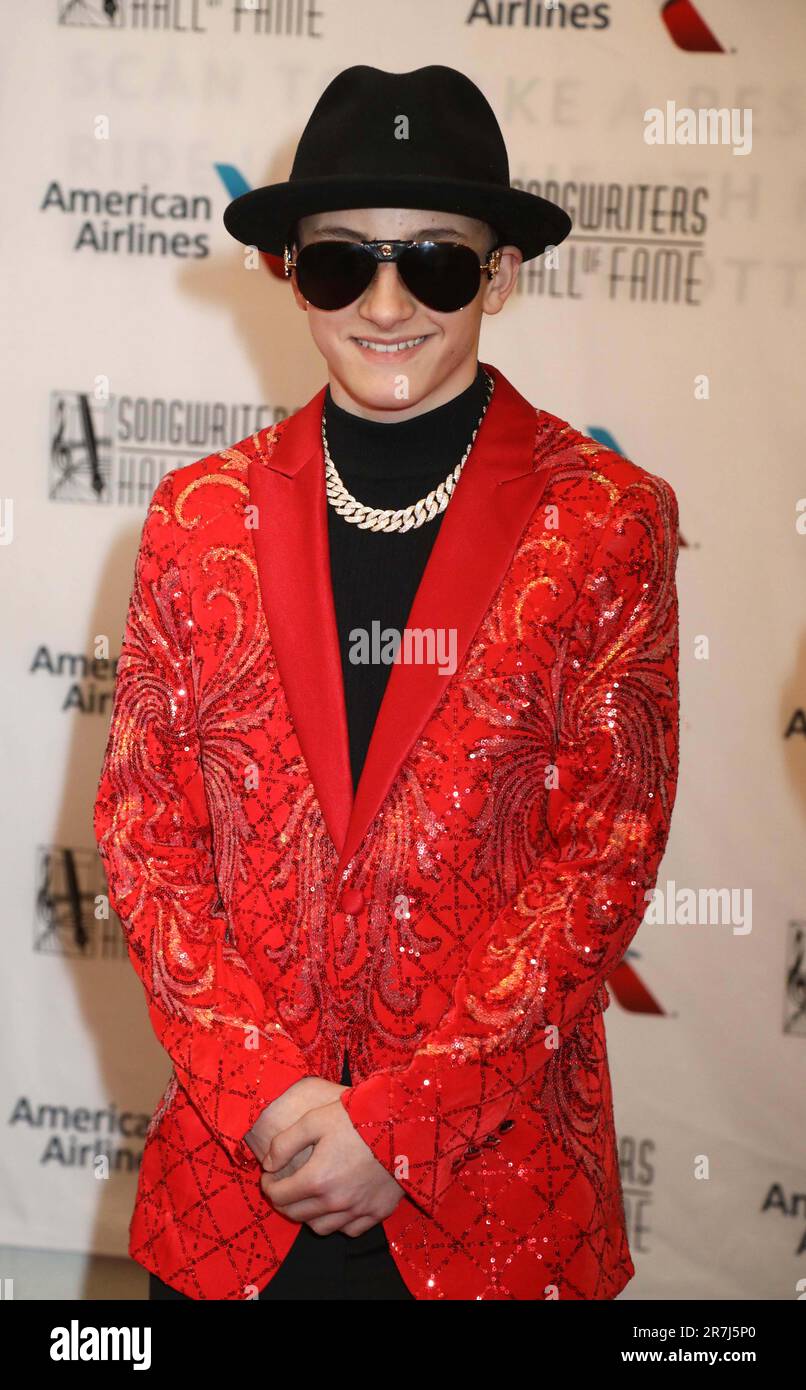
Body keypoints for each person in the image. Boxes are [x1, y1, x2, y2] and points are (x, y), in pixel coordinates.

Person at [94, 64, 680, 1302]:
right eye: (339, 262)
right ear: (285, 272)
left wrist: (402, 1123)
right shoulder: (195, 517)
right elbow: (146, 839)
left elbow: (603, 855)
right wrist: (269, 1096)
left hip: (495, 1198)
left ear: (502, 275)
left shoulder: (606, 518)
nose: (385, 300)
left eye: (437, 262)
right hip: (237, 1184)